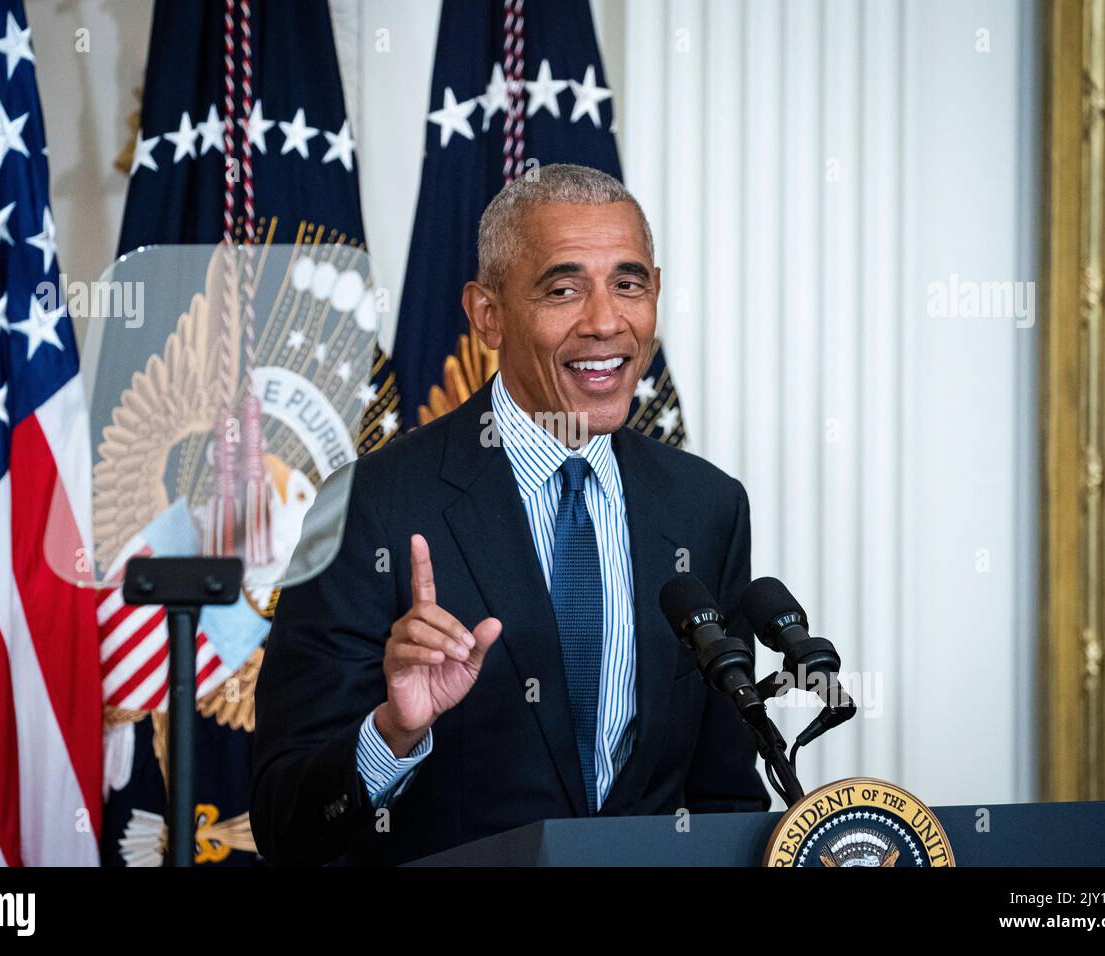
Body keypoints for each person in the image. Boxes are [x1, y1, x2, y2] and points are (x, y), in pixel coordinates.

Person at [251, 163, 769, 865]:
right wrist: (391, 733)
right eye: (563, 289)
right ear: (486, 314)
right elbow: (286, 825)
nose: (606, 321)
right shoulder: (371, 506)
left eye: (629, 283)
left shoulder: (707, 506)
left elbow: (724, 798)